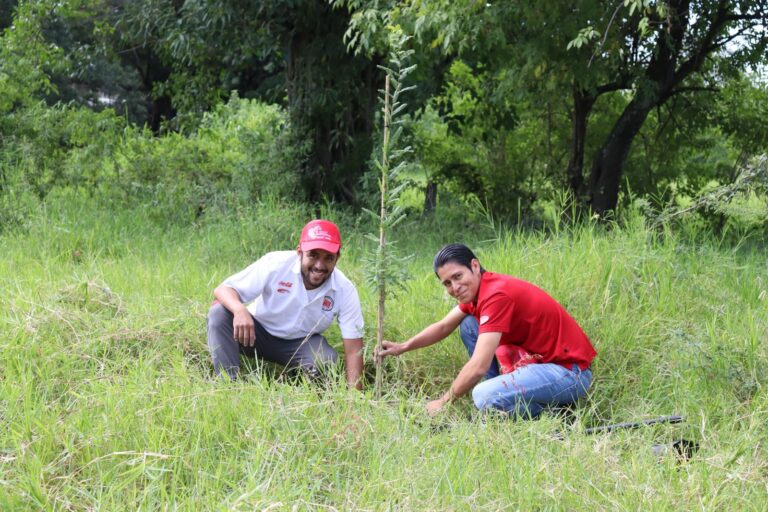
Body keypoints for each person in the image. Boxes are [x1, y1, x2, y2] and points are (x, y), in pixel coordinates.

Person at [378, 243, 596, 417]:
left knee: (483, 396)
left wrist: (443, 402)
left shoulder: (496, 295)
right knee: (469, 324)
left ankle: (557, 413)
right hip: (542, 365)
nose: (455, 287)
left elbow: (478, 366)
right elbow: (443, 326)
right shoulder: (479, 290)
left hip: (570, 374)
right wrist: (403, 347)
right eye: (447, 283)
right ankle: (499, 396)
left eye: (458, 276)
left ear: (475, 266)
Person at [207, 219, 364, 389]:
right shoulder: (275, 264)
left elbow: (354, 349)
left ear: (337, 258)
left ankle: (298, 383)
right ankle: (229, 385)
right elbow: (223, 289)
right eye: (313, 255)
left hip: (300, 344)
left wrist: (354, 399)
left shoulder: (344, 289)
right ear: (299, 252)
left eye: (328, 258)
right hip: (255, 334)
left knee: (327, 361)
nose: (319, 265)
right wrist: (239, 310)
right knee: (219, 312)